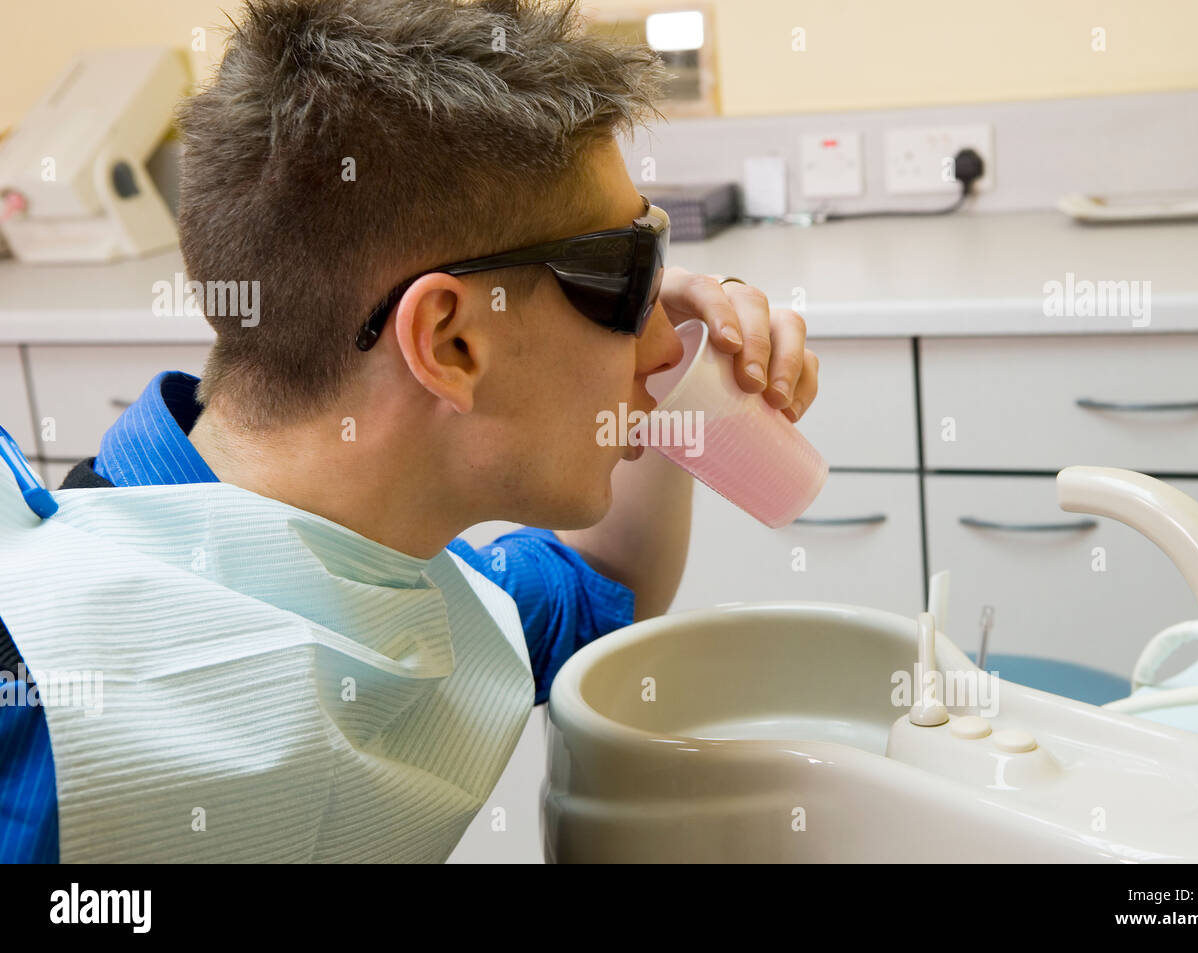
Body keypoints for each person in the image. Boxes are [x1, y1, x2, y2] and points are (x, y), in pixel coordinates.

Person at [0, 0, 818, 862]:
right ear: (449, 341)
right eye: (627, 279)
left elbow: (600, 588)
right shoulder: (37, 688)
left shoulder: (391, 578)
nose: (660, 339)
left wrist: (683, 378)